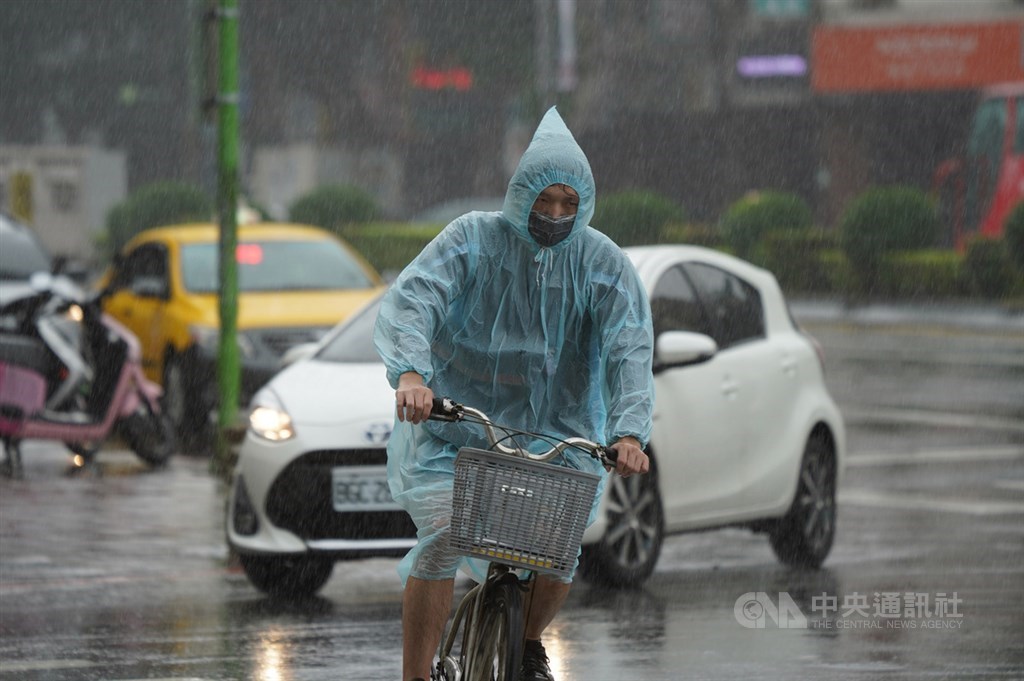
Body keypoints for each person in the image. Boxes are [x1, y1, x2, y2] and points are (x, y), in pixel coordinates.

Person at [374, 107, 655, 681]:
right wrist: (411, 376)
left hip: (558, 439)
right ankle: (415, 675)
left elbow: (629, 347)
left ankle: (527, 643)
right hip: (459, 433)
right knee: (443, 538)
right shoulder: (473, 240)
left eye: (569, 203)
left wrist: (628, 432)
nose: (555, 214)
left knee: (559, 550)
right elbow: (417, 298)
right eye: (544, 199)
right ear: (521, 193)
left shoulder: (603, 264)